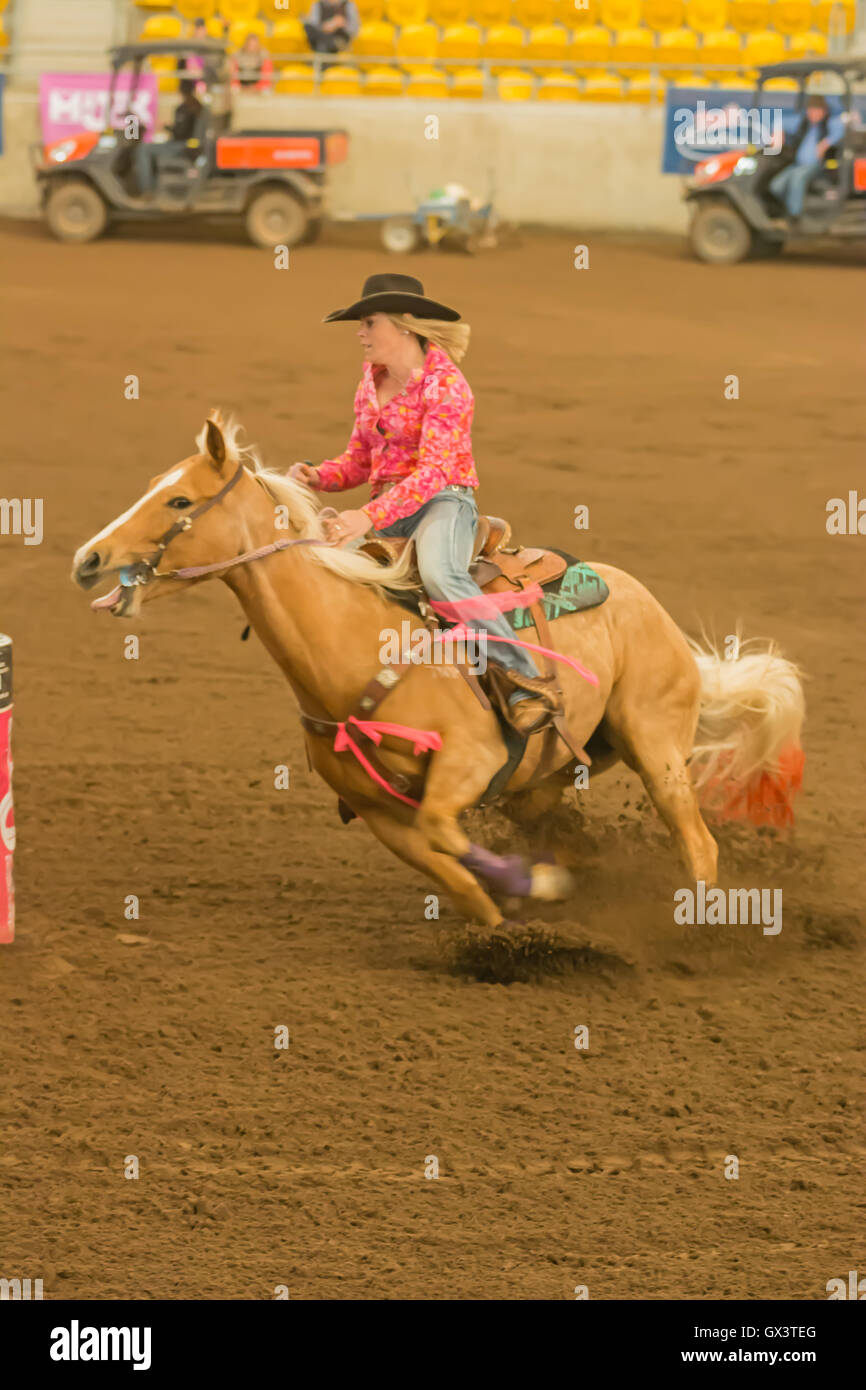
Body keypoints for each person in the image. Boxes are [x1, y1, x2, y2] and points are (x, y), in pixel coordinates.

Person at [288, 274, 556, 734]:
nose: (360, 332)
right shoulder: (369, 386)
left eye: (369, 322)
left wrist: (365, 516)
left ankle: (527, 680)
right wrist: (320, 476)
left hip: (444, 501)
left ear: (403, 327)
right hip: (389, 507)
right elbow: (358, 461)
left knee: (440, 574)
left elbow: (433, 472)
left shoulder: (446, 386)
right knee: (327, 571)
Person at [768, 94, 846, 223]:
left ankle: (795, 217)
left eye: (817, 110)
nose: (813, 113)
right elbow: (780, 121)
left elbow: (844, 128)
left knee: (798, 177)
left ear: (824, 111)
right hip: (798, 165)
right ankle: (787, 209)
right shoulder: (803, 123)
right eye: (811, 110)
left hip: (818, 166)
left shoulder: (830, 124)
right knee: (776, 186)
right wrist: (777, 133)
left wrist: (827, 142)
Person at [133, 80, 202, 199]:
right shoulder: (197, 106)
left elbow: (180, 133)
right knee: (152, 148)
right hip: (185, 144)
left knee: (143, 149)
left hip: (182, 145)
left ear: (181, 91)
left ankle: (147, 189)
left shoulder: (185, 108)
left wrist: (165, 126)